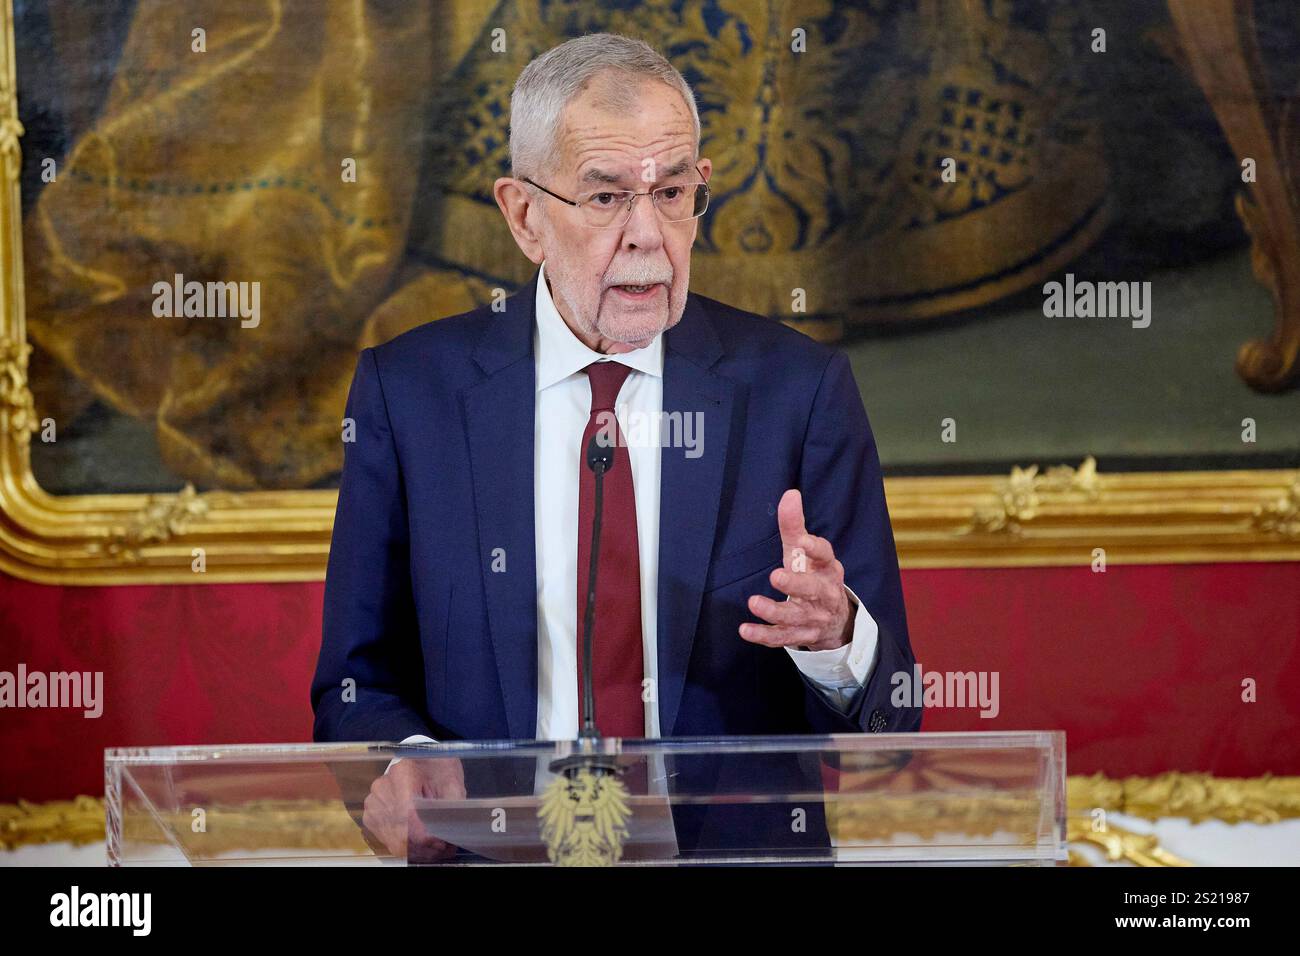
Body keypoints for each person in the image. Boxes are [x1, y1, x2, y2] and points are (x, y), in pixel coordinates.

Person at [312, 32, 919, 861]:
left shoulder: (799, 394)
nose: (647, 234)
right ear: (524, 215)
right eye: (606, 199)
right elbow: (354, 682)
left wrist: (837, 638)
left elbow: (894, 712)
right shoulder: (410, 395)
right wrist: (411, 766)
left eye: (673, 192)